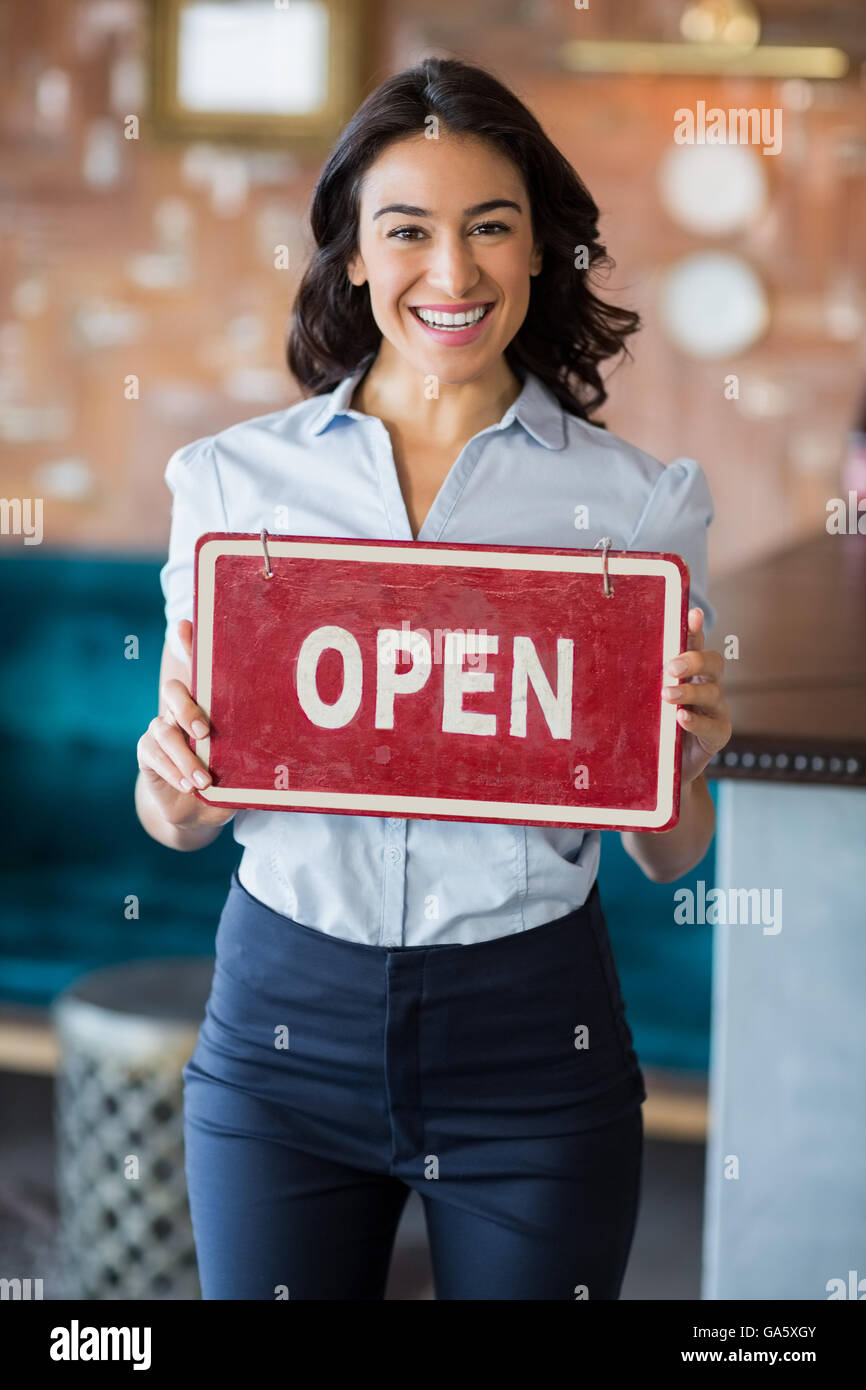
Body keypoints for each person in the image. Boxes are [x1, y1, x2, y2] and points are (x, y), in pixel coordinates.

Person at [135, 56, 732, 1300]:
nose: (450, 275)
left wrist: (677, 768)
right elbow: (182, 812)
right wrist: (174, 790)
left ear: (535, 254)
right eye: (406, 232)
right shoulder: (233, 488)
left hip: (533, 1038)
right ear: (352, 255)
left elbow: (668, 853)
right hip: (278, 1033)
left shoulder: (635, 507)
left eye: (489, 230)